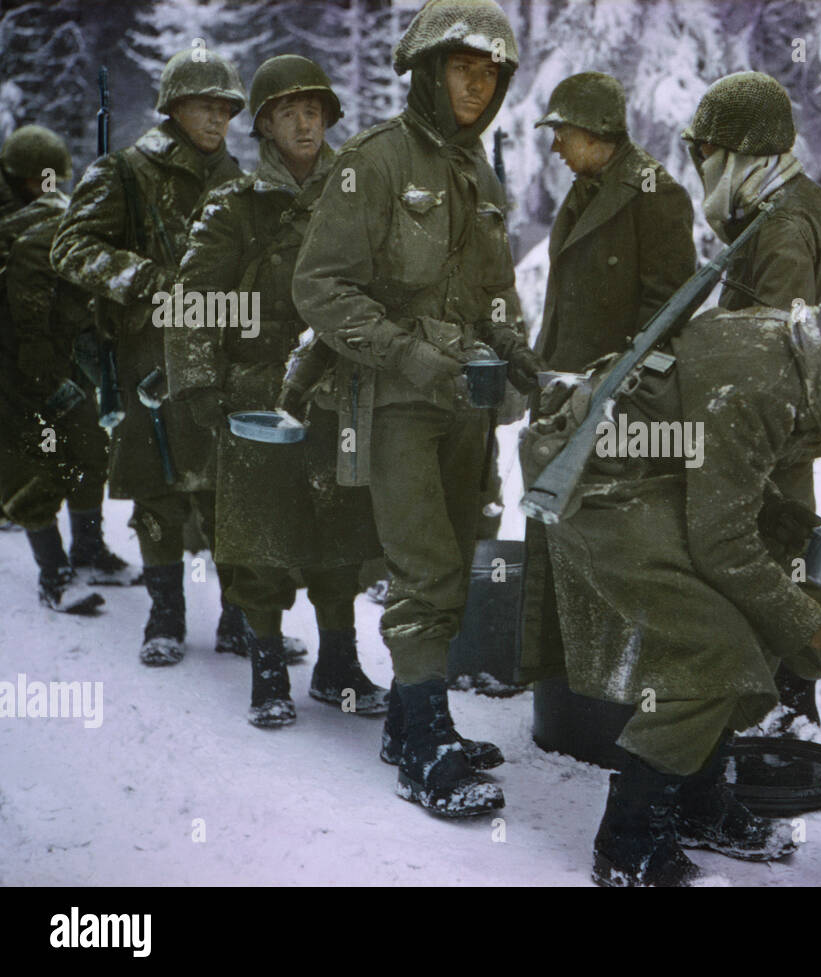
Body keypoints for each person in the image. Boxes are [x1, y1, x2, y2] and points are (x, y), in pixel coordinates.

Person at [525, 262, 821, 885]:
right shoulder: (762, 376)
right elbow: (722, 545)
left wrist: (778, 516)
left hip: (654, 475)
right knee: (712, 645)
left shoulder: (795, 358)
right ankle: (629, 842)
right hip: (596, 487)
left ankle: (696, 800)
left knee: (753, 614)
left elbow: (717, 471)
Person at [293, 0, 540, 818]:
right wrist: (404, 352)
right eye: (465, 68)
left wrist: (521, 355)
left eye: (491, 72)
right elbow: (321, 286)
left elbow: (496, 291)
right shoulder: (374, 161)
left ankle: (407, 717)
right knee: (424, 568)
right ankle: (427, 742)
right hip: (395, 397)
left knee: (462, 551)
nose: (479, 84)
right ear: (430, 71)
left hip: (468, 399)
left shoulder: (480, 173)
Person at [168, 55, 386, 728]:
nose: (304, 123)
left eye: (314, 111)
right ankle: (267, 669)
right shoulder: (234, 206)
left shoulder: (354, 195)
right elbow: (193, 302)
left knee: (342, 531)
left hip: (337, 389)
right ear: (263, 125)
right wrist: (201, 387)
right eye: (289, 112)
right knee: (259, 537)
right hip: (258, 398)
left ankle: (338, 664)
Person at [51, 49, 256, 666]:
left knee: (231, 490)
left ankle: (239, 620)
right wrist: (146, 280)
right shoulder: (124, 172)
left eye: (225, 107)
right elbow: (70, 248)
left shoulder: (237, 180)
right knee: (158, 493)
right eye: (204, 105)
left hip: (222, 355)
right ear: (173, 108)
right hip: (148, 353)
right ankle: (165, 618)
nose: (217, 118)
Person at [681, 70, 821, 733]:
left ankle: (777, 701)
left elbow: (769, 353)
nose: (700, 166)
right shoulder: (802, 204)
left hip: (771, 431)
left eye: (707, 153)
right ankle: (788, 691)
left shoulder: (782, 227)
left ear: (739, 155)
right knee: (786, 543)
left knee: (762, 552)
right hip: (793, 426)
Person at [519, 70, 696, 685]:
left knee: (598, 546)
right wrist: (541, 373)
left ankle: (594, 686)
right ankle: (547, 670)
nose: (555, 146)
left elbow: (669, 311)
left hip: (611, 408)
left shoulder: (655, 193)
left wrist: (618, 394)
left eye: (562, 132)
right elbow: (563, 299)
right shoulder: (587, 186)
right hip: (562, 395)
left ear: (596, 132)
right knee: (551, 530)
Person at [0, 125, 135, 613]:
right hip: (11, 368)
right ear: (20, 180)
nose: (51, 191)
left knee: (88, 448)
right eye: (43, 182)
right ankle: (55, 577)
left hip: (61, 358)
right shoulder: (17, 225)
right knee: (32, 469)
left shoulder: (54, 217)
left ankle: (89, 550)